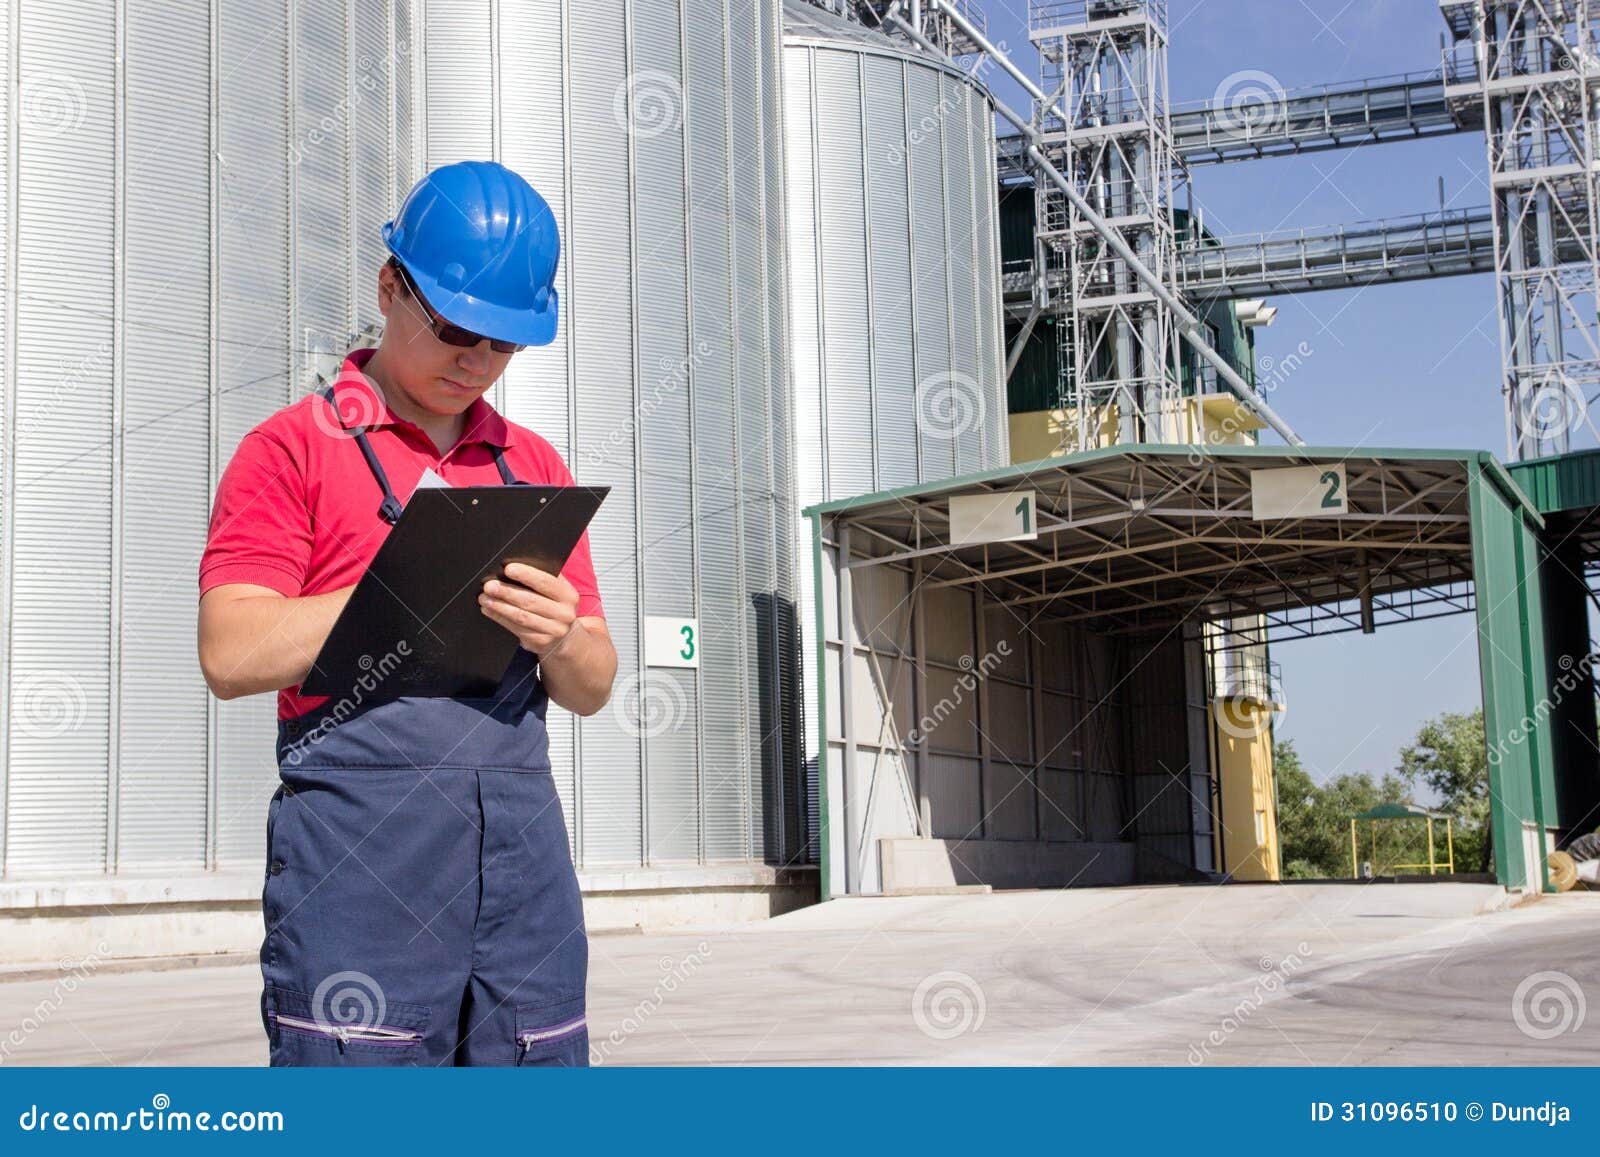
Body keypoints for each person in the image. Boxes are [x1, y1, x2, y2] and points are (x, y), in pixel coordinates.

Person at [196, 160, 617, 1066]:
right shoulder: (292, 449)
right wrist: (397, 590)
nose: (477, 363)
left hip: (522, 866)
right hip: (361, 869)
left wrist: (563, 635)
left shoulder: (532, 466)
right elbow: (230, 652)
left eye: (503, 345)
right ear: (391, 288)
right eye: (459, 330)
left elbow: (593, 685)